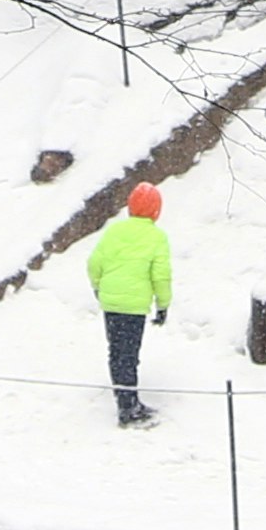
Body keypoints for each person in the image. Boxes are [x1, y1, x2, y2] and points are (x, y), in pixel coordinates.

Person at [91, 180, 171, 426]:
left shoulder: (114, 232)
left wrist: (98, 288)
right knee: (129, 355)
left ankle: (124, 398)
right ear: (156, 211)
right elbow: (161, 275)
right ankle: (129, 408)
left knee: (116, 352)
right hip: (134, 306)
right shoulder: (156, 237)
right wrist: (163, 305)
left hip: (111, 303)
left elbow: (94, 263)